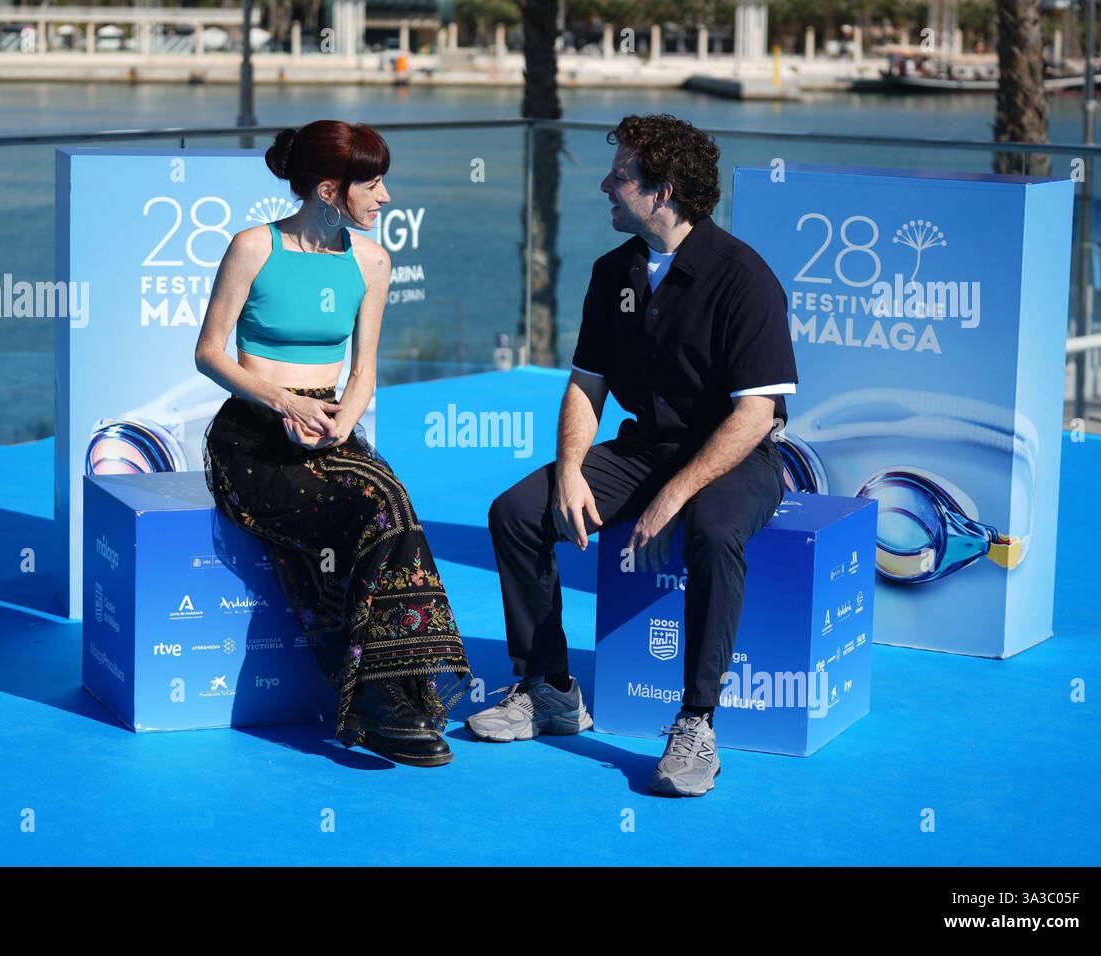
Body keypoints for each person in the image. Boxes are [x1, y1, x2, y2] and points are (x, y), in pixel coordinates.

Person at [472, 114, 797, 796]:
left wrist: (674, 496)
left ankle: (697, 720)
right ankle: (550, 687)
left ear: (664, 191)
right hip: (643, 448)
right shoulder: (611, 273)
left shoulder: (744, 277)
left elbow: (755, 413)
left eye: (620, 177)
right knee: (516, 511)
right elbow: (587, 385)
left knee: (710, 530)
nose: (605, 186)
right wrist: (567, 471)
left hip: (738, 457)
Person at [195, 120, 471, 767]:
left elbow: (365, 368)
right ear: (328, 189)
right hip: (253, 436)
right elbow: (209, 354)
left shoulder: (372, 261)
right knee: (382, 496)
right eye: (372, 184)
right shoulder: (252, 248)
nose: (386, 197)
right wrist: (285, 402)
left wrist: (343, 419)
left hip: (330, 426)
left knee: (389, 501)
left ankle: (387, 695)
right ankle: (382, 700)